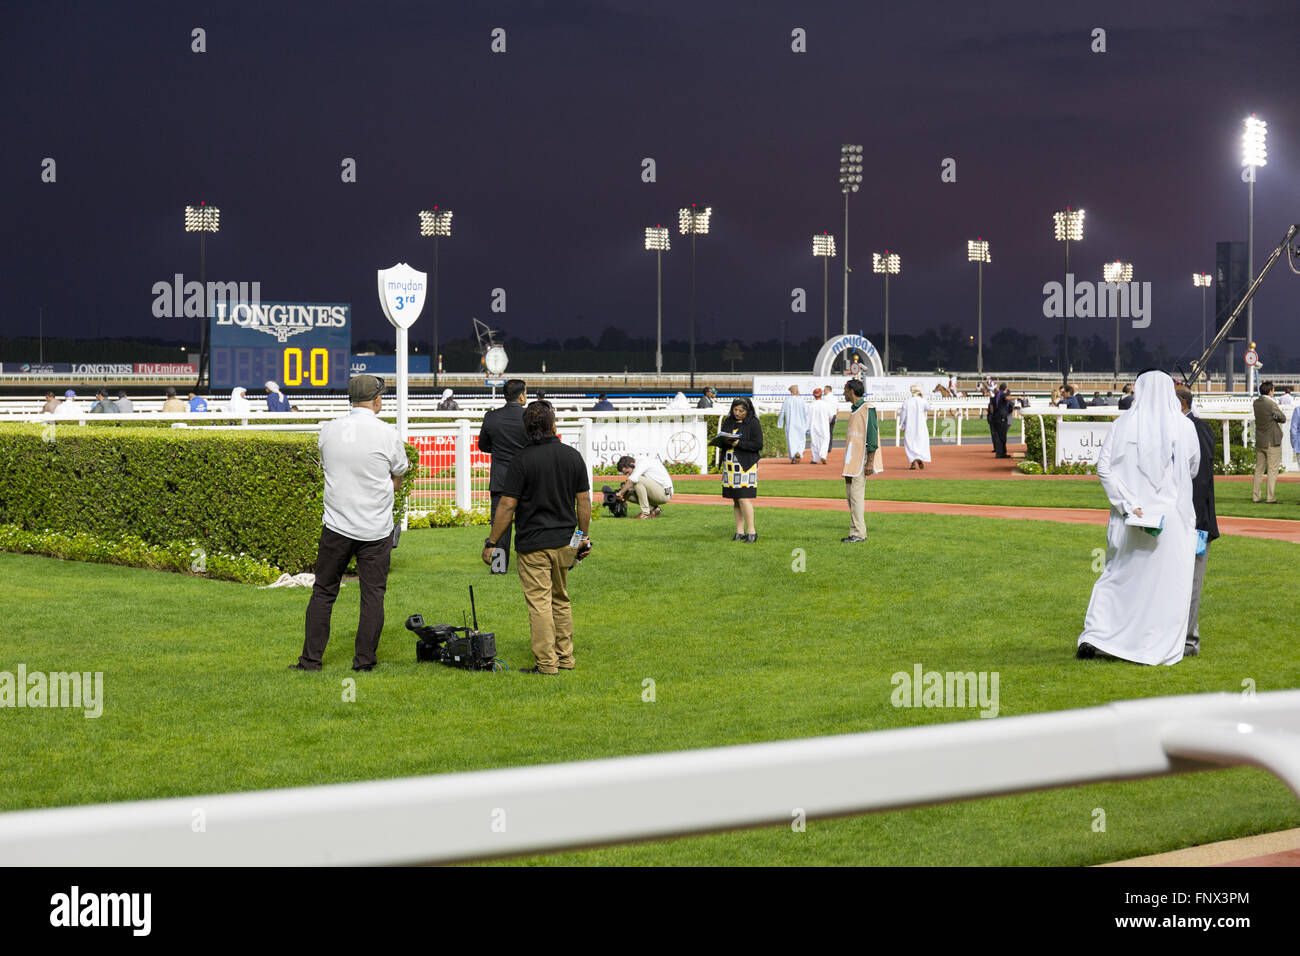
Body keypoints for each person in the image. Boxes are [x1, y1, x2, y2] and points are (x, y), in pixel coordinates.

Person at [1076, 371, 1199, 665]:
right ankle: (1148, 643)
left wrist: (1127, 504)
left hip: (1131, 517)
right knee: (1163, 585)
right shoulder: (1184, 426)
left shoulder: (1123, 424)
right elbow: (1192, 468)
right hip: (1171, 519)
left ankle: (1097, 634)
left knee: (1117, 577)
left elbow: (1103, 468)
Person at [292, 374, 409, 672]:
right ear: (377, 399)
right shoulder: (387, 433)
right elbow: (399, 474)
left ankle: (310, 661)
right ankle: (364, 662)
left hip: (336, 526)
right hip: (375, 529)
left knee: (324, 591)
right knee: (372, 596)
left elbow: (330, 467)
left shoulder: (328, 430)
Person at [480, 401, 591, 675]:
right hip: (566, 542)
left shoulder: (521, 461)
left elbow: (507, 506)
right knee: (561, 599)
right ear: (553, 425)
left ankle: (547, 664)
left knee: (540, 604)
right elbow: (584, 502)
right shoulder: (572, 456)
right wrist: (582, 538)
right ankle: (565, 658)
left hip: (533, 545)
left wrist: (492, 542)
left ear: (526, 429)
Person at [1176, 385, 1218, 658]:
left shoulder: (1198, 429)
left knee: (1190, 583)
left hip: (1196, 522)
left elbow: (1201, 481)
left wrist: (1198, 525)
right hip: (1181, 519)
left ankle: (1190, 641)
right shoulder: (1180, 428)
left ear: (1181, 404)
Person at [478, 378, 527, 573]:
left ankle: (499, 567)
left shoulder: (491, 417)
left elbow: (483, 445)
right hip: (525, 478)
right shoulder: (528, 417)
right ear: (521, 395)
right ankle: (529, 565)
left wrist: (499, 450)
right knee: (526, 523)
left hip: (500, 478)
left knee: (500, 525)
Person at [718, 397, 763, 541]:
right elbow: (722, 439)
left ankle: (752, 532)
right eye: (735, 410)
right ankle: (739, 531)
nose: (738, 413)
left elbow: (758, 444)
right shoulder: (728, 421)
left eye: (741, 411)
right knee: (735, 499)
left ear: (747, 410)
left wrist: (739, 443)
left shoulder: (754, 423)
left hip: (746, 465)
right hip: (730, 465)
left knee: (743, 498)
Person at [841, 379, 879, 543]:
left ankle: (859, 534)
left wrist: (870, 461)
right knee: (851, 496)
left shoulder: (867, 408)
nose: (843, 393)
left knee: (856, 496)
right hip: (851, 460)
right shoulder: (855, 410)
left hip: (861, 459)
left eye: (844, 389)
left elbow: (872, 435)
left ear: (851, 390)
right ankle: (855, 531)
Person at [1252, 381, 1285, 504]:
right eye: (1273, 390)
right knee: (1272, 470)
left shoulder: (1256, 403)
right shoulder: (1271, 404)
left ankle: (1256, 496)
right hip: (1272, 441)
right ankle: (1270, 497)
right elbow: (1283, 418)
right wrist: (1275, 416)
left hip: (1260, 440)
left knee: (1259, 470)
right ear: (1270, 391)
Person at [616, 454, 673, 518]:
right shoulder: (637, 464)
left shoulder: (642, 462)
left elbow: (633, 479)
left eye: (627, 472)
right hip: (657, 491)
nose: (628, 475)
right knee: (626, 490)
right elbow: (629, 483)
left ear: (632, 464)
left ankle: (645, 513)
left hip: (665, 493)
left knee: (637, 480)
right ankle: (654, 509)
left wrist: (620, 493)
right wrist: (622, 493)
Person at [898, 384, 931, 469]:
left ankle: (912, 462)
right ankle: (919, 458)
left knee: (909, 444)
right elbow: (928, 407)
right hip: (921, 427)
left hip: (909, 426)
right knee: (920, 443)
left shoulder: (907, 402)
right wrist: (922, 397)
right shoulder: (922, 401)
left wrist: (902, 425)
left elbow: (903, 414)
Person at [776, 384, 808, 463]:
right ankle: (799, 453)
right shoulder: (802, 400)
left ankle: (794, 455)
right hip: (801, 423)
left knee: (791, 440)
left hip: (790, 424)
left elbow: (782, 412)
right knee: (801, 440)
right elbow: (806, 413)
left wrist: (780, 424)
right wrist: (807, 425)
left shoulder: (787, 400)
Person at [988, 383, 1012, 458]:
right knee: (1002, 436)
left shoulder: (996, 395)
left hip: (994, 418)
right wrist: (1018, 397)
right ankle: (1001, 453)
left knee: (997, 436)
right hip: (1001, 418)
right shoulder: (1002, 395)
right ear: (1005, 389)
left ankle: (999, 452)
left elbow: (991, 407)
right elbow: (1007, 399)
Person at [808, 388, 830, 464]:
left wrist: (807, 427)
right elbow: (830, 415)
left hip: (814, 426)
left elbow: (808, 417)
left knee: (814, 442)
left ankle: (815, 459)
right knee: (825, 440)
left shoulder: (811, 405)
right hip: (824, 425)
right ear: (821, 395)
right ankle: (823, 455)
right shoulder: (825, 404)